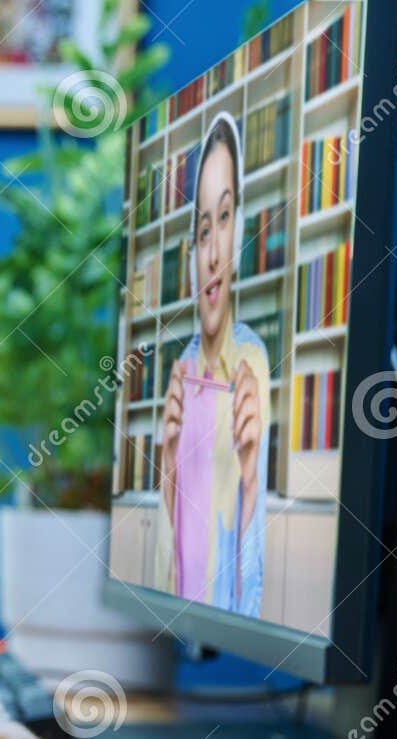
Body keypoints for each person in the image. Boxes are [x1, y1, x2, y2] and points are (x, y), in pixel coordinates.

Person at [158, 112, 267, 616]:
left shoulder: (250, 360)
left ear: (239, 233)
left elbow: (252, 594)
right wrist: (167, 465)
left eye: (224, 219)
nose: (213, 250)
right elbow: (165, 570)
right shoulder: (182, 368)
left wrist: (249, 475)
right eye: (203, 230)